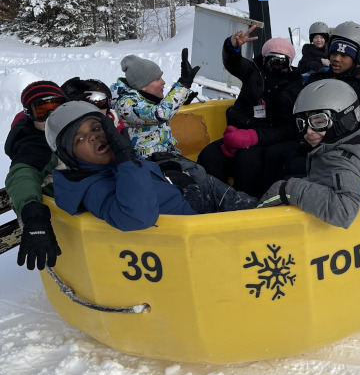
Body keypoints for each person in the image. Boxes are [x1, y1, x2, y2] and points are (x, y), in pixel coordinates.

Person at [45, 102, 256, 232]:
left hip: (189, 201)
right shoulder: (91, 189)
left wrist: (163, 172)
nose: (93, 136)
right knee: (265, 212)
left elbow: (139, 181)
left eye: (96, 127)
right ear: (70, 157)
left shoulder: (109, 164)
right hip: (194, 231)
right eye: (80, 139)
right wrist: (126, 159)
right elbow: (137, 216)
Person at [257, 81, 360, 228]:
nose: (309, 131)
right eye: (303, 123)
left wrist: (288, 189)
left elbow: (344, 211)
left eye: (319, 122)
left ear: (345, 119)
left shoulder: (342, 163)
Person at [197, 29, 304, 197]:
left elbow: (288, 124)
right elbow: (234, 63)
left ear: (289, 63)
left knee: (247, 161)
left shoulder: (294, 83)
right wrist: (232, 48)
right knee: (209, 155)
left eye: (282, 61)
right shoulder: (254, 71)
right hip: (240, 129)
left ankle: (245, 202)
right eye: (271, 60)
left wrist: (254, 135)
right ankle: (216, 197)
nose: (276, 66)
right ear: (264, 59)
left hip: (266, 135)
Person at [111, 48, 209, 185]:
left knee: (202, 170)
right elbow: (160, 113)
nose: (163, 82)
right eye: (158, 79)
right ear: (143, 86)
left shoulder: (142, 97)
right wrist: (183, 84)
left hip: (164, 156)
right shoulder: (126, 104)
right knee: (199, 176)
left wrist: (182, 98)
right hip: (146, 164)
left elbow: (159, 106)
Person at [4, 81, 67, 270]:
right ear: (30, 115)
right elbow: (22, 174)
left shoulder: (75, 129)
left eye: (57, 108)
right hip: (66, 217)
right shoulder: (35, 144)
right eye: (42, 111)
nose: (51, 117)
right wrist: (33, 213)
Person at [308, 21, 360, 121]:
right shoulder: (317, 80)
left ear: (356, 58)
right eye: (333, 53)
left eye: (344, 55)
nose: (336, 59)